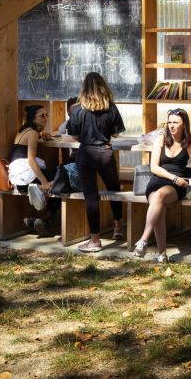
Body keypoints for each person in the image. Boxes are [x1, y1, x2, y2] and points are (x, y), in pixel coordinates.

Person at [66, 72, 126, 252]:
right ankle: (118, 226)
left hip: (86, 153)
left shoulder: (76, 109)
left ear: (84, 88)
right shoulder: (111, 107)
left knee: (91, 197)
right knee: (114, 189)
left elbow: (73, 136)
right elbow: (116, 134)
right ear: (103, 86)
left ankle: (95, 240)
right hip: (106, 152)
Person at [133, 108, 191, 263]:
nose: (171, 125)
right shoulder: (161, 139)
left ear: (184, 124)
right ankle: (161, 255)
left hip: (177, 185)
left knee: (159, 197)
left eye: (175, 122)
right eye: (169, 122)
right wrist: (174, 178)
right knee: (158, 203)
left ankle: (144, 240)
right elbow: (154, 167)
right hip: (159, 179)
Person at [10, 104, 61, 234]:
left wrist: (42, 134)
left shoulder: (25, 131)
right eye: (42, 115)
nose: (45, 118)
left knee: (58, 178)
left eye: (46, 115)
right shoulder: (32, 133)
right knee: (62, 179)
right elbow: (31, 160)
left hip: (18, 177)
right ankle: (45, 218)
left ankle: (41, 219)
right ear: (33, 118)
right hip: (27, 176)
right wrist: (45, 182)